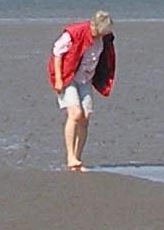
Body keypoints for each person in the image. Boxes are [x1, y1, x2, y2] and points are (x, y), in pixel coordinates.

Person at [48, 10, 115, 172]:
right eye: (98, 32)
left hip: (85, 79)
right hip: (67, 76)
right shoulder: (74, 33)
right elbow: (57, 53)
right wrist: (58, 79)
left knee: (86, 116)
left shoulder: (104, 39)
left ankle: (77, 159)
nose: (100, 35)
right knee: (75, 113)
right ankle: (70, 156)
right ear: (93, 25)